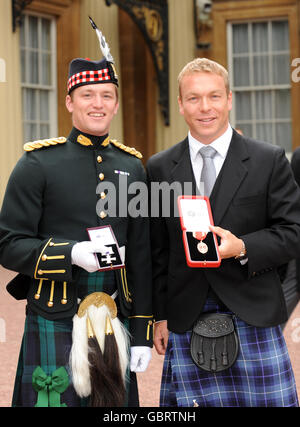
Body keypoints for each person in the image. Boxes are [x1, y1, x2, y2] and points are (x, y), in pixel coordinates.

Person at [0, 23, 153, 407]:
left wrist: (143, 330)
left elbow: (140, 255)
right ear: (70, 101)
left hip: (113, 315)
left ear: (116, 104)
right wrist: (69, 253)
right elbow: (8, 244)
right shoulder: (37, 164)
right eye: (87, 94)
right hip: (55, 311)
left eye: (106, 95)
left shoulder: (133, 167)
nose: (97, 103)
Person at [146, 57, 300, 407]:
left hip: (253, 314)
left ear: (229, 99)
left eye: (214, 96)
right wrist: (160, 315)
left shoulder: (269, 160)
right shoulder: (159, 167)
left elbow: (294, 232)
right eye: (194, 98)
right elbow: (156, 250)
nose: (205, 107)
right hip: (186, 317)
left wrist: (242, 246)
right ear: (181, 105)